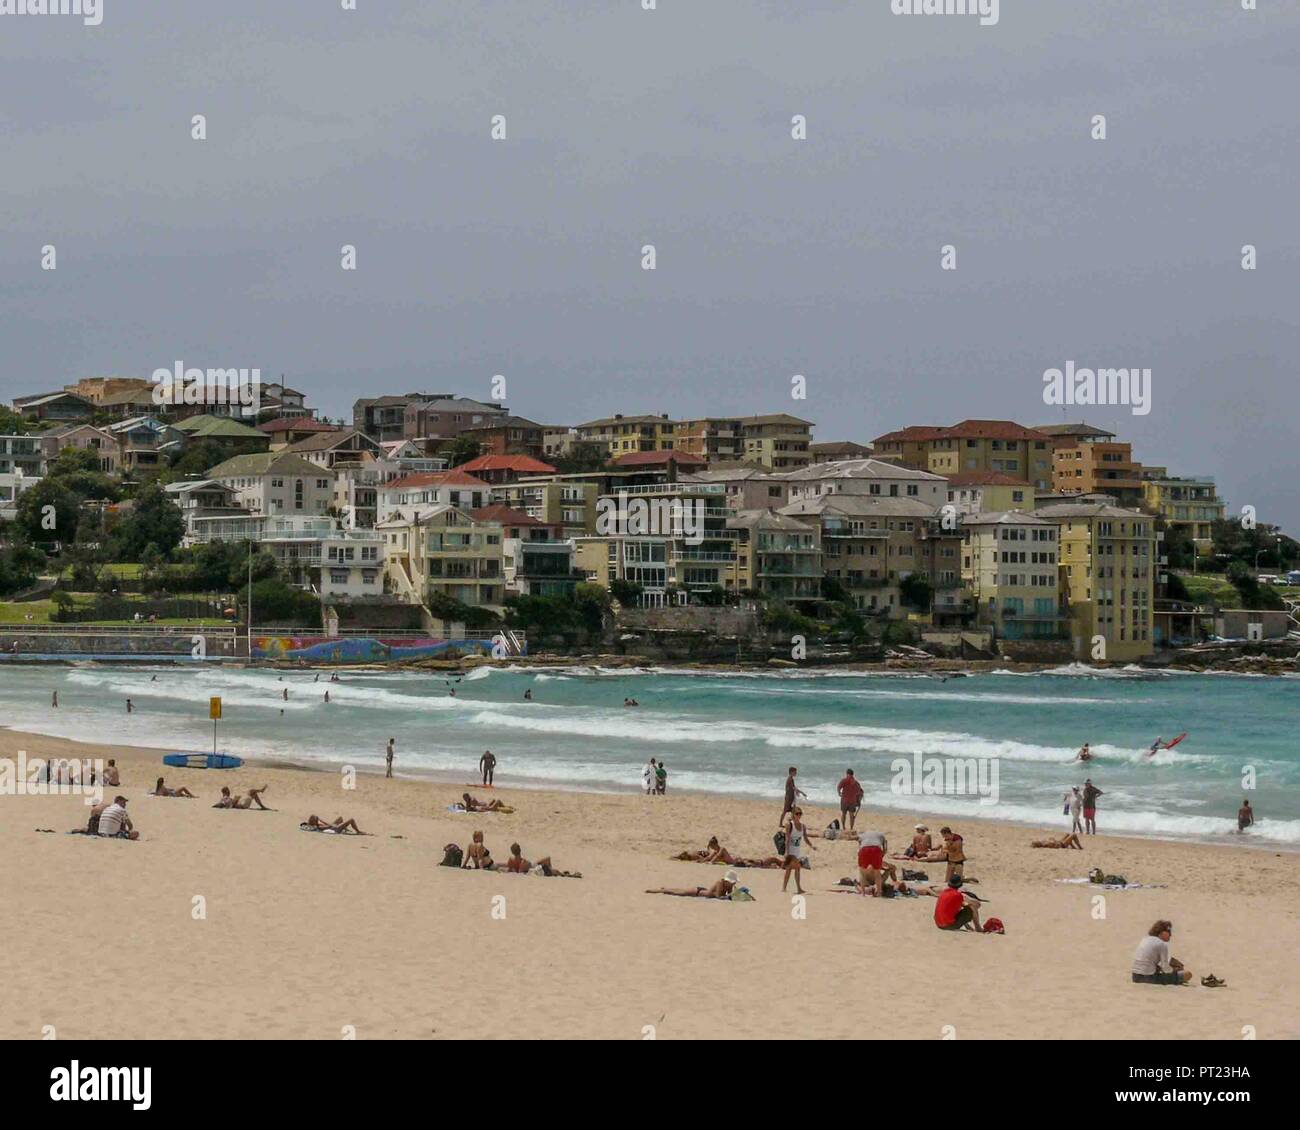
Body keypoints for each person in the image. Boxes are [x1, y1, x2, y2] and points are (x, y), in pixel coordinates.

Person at [1131, 920, 1191, 985]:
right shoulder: (1161, 944)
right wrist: (1175, 971)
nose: (1170, 935)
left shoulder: (1145, 939)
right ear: (1162, 932)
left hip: (1135, 977)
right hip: (1149, 978)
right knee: (1187, 974)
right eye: (1168, 932)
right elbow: (1165, 969)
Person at [781, 806, 816, 895]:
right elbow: (787, 839)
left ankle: (784, 888)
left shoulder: (803, 826)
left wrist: (812, 846)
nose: (799, 815)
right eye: (797, 814)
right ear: (793, 814)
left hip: (797, 851)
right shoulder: (789, 825)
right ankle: (798, 888)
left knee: (789, 869)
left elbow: (805, 838)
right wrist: (787, 852)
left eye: (800, 814)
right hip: (790, 850)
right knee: (797, 867)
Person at [855, 830, 896, 896]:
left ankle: (863, 893)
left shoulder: (862, 835)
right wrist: (882, 855)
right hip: (876, 848)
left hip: (864, 849)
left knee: (861, 872)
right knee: (877, 873)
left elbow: (859, 846)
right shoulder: (881, 835)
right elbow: (885, 848)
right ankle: (879, 892)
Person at [647, 871, 739, 899]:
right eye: (733, 882)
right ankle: (658, 890)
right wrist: (729, 896)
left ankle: (665, 889)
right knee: (677, 892)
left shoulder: (728, 885)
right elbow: (718, 896)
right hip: (698, 892)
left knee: (679, 890)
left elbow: (727, 895)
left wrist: (733, 894)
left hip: (703, 891)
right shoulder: (720, 882)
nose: (734, 883)